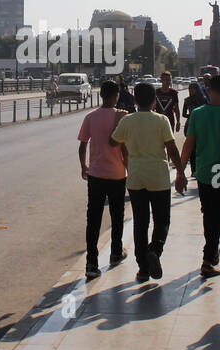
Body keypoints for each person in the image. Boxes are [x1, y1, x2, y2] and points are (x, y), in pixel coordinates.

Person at [110, 82, 185, 283]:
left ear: (135, 100)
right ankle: (155, 249)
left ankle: (143, 268)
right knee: (162, 220)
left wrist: (118, 122)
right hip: (158, 177)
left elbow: (113, 141)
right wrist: (180, 173)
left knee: (140, 223)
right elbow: (172, 149)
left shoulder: (128, 121)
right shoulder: (161, 120)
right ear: (154, 101)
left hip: (136, 178)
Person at [177, 75, 220, 278]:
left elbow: (188, 145)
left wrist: (181, 172)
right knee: (216, 214)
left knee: (211, 212)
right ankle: (209, 257)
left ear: (208, 91)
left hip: (205, 170)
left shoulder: (197, 114)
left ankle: (211, 252)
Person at [77, 79, 130, 280]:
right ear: (117, 96)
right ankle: (116, 252)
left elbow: (82, 145)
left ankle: (92, 262)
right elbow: (127, 147)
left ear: (101, 95)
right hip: (117, 174)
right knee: (117, 216)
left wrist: (84, 166)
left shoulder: (90, 117)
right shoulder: (122, 117)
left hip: (96, 175)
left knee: (94, 219)